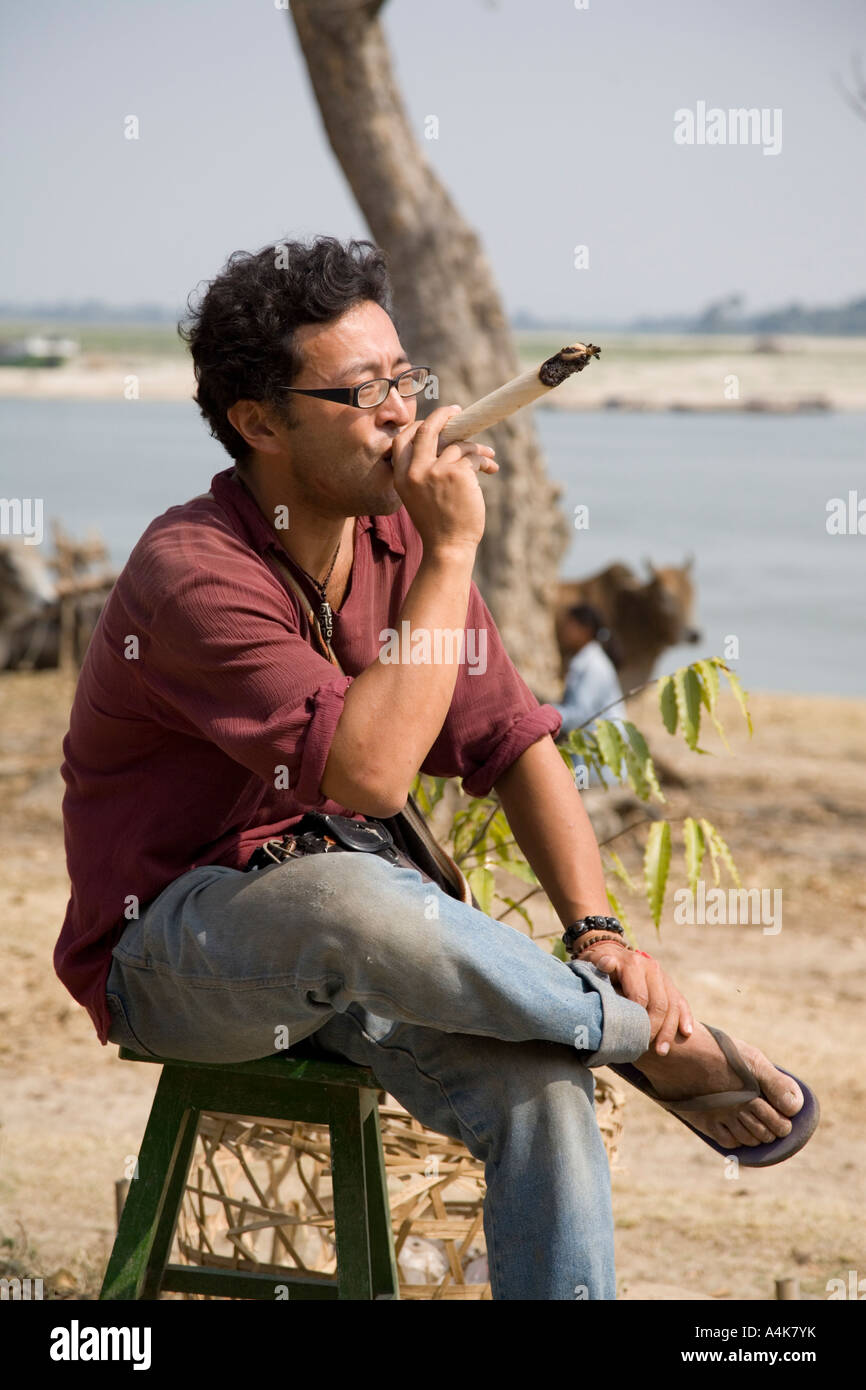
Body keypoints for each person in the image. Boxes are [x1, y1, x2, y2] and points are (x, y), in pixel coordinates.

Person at [53, 236, 805, 1301]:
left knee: (539, 1089)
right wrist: (455, 552)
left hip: (365, 938)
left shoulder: (393, 539)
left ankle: (586, 1030)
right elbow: (365, 774)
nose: (403, 412)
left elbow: (510, 741)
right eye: (364, 393)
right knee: (349, 895)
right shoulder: (192, 572)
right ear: (258, 423)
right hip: (178, 952)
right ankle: (633, 1038)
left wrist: (594, 930)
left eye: (406, 378)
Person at [553, 603, 627, 787]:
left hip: (599, 755)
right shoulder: (584, 661)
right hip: (588, 752)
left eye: (568, 625)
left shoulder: (593, 666)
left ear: (585, 630)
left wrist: (544, 713)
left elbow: (579, 715)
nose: (563, 631)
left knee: (584, 799)